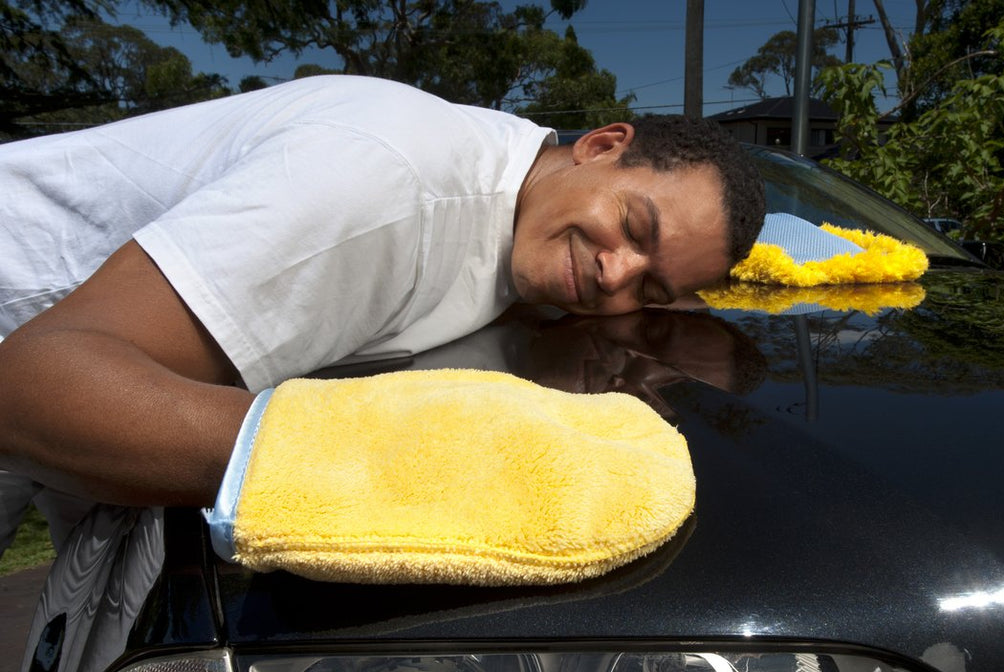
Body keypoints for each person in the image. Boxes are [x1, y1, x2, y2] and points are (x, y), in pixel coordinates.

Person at [0, 75, 765, 518]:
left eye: (652, 284)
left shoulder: (526, 207)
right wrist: (382, 461)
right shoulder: (386, 185)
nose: (615, 274)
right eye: (632, 224)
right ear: (601, 144)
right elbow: (26, 386)